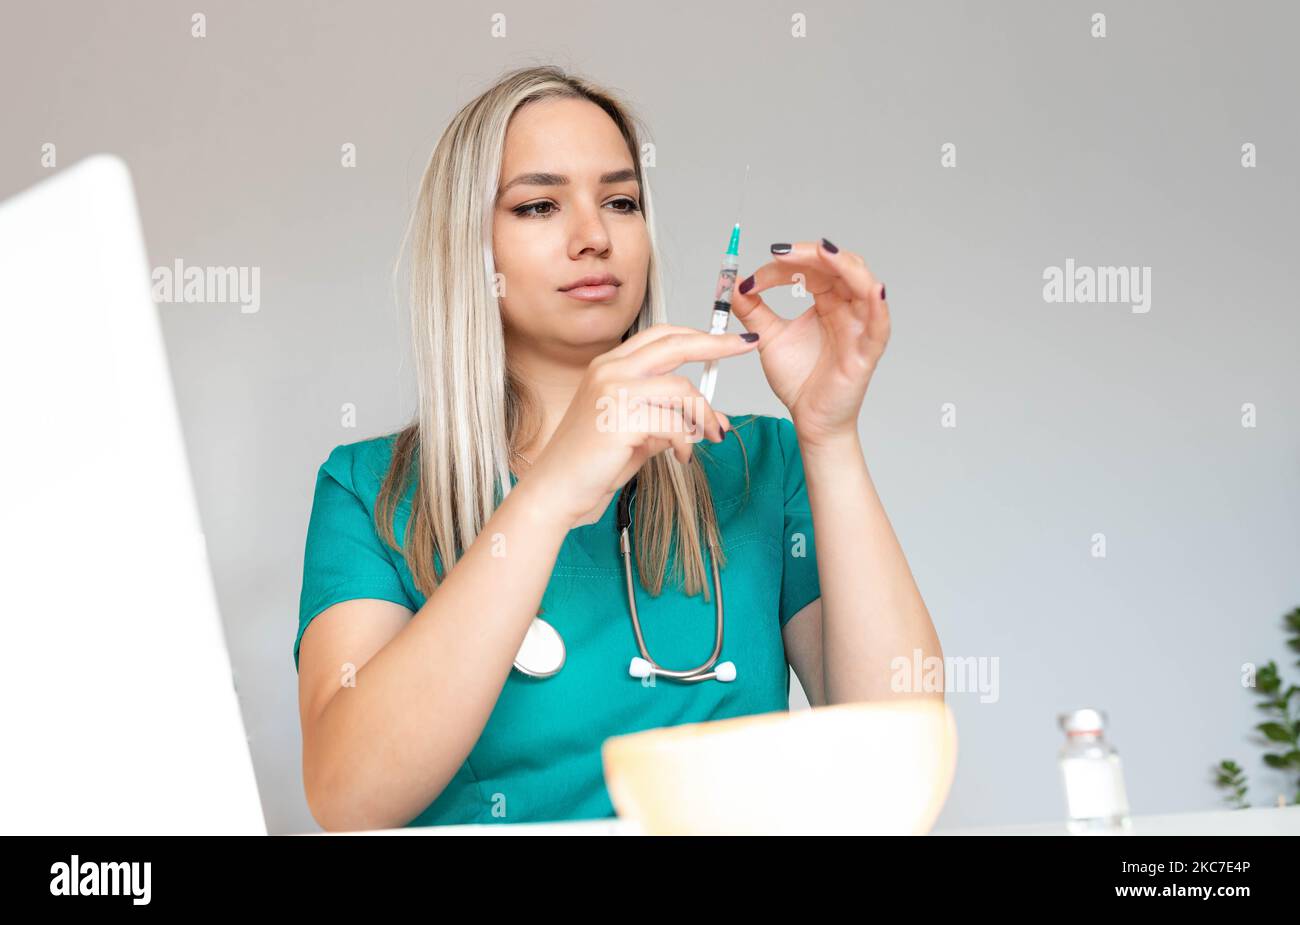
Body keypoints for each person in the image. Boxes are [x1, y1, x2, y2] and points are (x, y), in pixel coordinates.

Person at [294, 64, 942, 831]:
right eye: (539, 204)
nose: (594, 236)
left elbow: (894, 757)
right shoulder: (370, 489)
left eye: (620, 200)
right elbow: (347, 794)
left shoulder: (760, 466)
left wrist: (828, 433)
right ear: (469, 247)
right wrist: (546, 495)